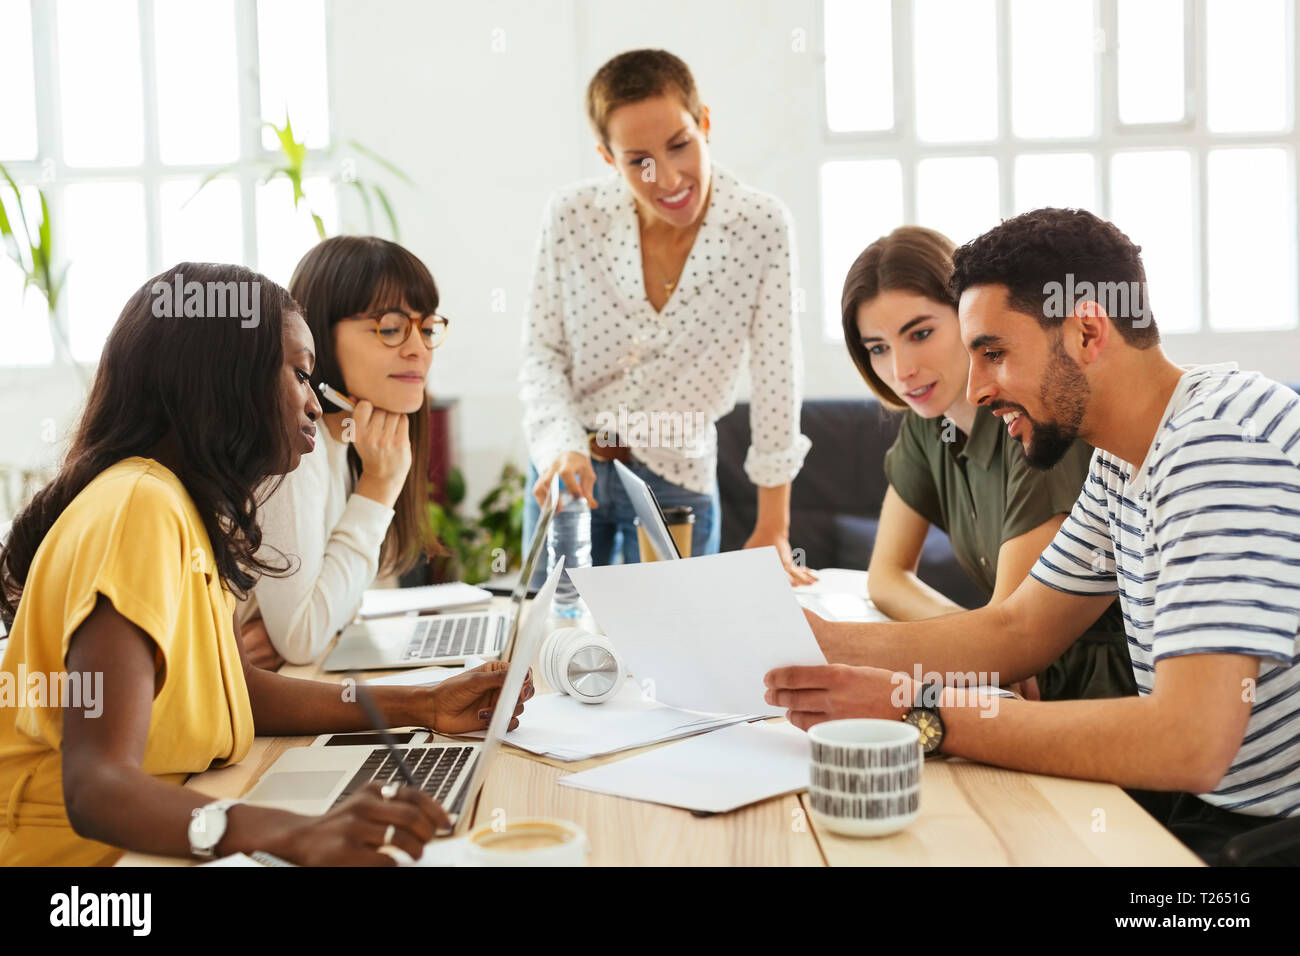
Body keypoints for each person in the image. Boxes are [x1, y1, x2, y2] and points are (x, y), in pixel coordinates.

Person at [766, 208, 1300, 864]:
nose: (977, 387)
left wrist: (919, 714)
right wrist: (806, 642)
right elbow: (1017, 631)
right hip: (1213, 813)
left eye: (992, 353)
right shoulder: (1122, 455)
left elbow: (1190, 740)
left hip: (1265, 836)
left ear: (1085, 331)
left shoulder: (1218, 448)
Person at [0, 263, 530, 865]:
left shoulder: (182, 507)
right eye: (301, 375)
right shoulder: (136, 508)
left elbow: (239, 692)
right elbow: (96, 788)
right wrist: (290, 833)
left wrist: (423, 703)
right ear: (227, 378)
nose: (312, 401)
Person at [519, 48, 814, 584]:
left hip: (678, 481)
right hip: (569, 472)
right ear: (609, 157)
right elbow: (542, 354)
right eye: (639, 160)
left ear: (704, 123)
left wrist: (774, 524)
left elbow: (777, 373)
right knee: (553, 647)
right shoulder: (572, 216)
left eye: (680, 145)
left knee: (673, 657)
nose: (670, 177)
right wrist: (559, 446)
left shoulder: (761, 226)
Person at [841, 226, 1134, 701]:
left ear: (967, 316)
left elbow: (1012, 632)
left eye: (920, 333)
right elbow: (886, 577)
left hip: (1102, 693)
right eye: (877, 347)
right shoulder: (926, 426)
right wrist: (970, 641)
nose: (901, 370)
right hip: (1017, 681)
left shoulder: (1038, 420)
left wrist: (981, 648)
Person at [238, 236, 448, 668]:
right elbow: (303, 638)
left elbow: (326, 619)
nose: (418, 348)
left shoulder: (348, 442)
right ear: (317, 335)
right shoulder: (294, 454)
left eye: (427, 328)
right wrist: (381, 485)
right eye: (390, 328)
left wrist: (312, 623)